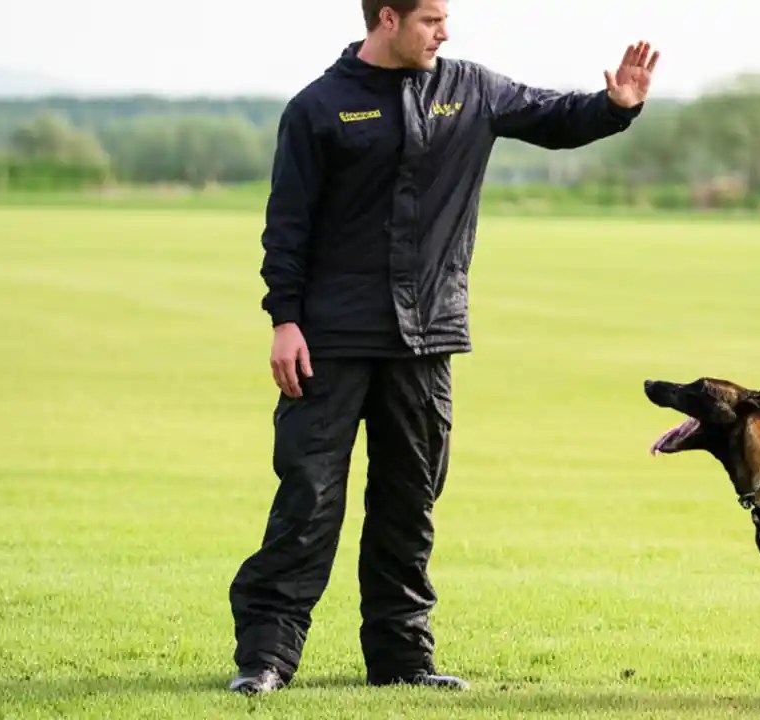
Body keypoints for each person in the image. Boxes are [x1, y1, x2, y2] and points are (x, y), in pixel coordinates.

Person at [226, 0, 659, 695]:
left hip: (427, 340)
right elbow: (288, 226)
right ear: (386, 19)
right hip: (331, 341)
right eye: (431, 19)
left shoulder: (472, 89)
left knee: (410, 500)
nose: (445, 32)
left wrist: (615, 106)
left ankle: (401, 661)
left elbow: (553, 117)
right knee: (308, 498)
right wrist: (285, 320)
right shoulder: (317, 108)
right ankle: (267, 658)